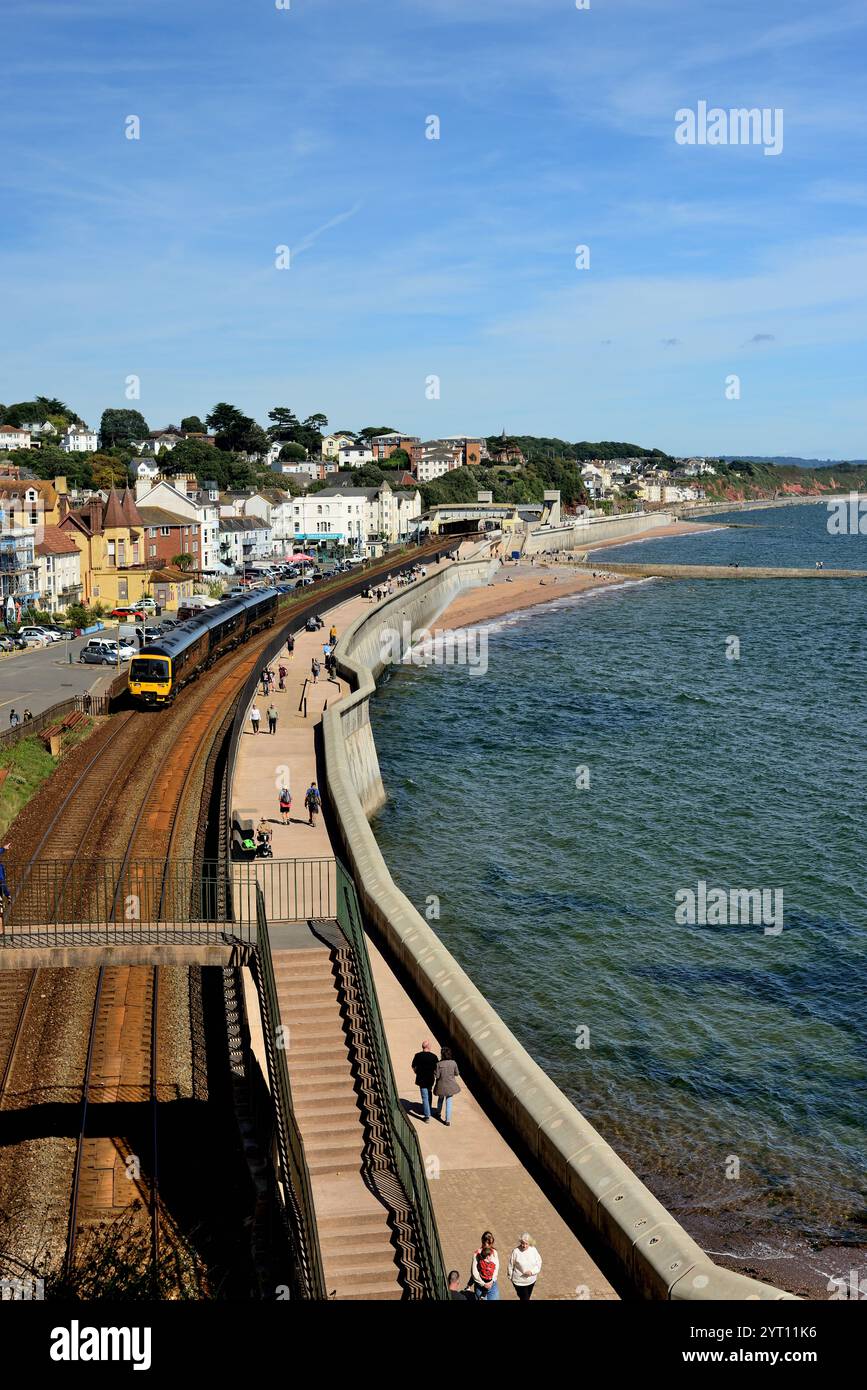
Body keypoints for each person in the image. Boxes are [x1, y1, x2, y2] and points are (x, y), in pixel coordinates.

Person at [411, 1040, 439, 1123]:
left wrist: (416, 1072)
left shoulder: (418, 1055)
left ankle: (427, 1116)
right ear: (428, 1047)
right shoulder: (434, 1056)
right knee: (429, 1093)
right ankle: (428, 1109)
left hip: (421, 1079)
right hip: (430, 1079)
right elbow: (436, 1068)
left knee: (424, 1097)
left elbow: (413, 1066)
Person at [508, 1234, 542, 1300]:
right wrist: (510, 1277)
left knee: (526, 1298)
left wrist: (532, 1272)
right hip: (519, 1282)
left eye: (526, 1244)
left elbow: (539, 1262)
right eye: (523, 1243)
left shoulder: (533, 1250)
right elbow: (510, 1265)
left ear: (530, 1243)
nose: (524, 1245)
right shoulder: (516, 1251)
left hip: (531, 1280)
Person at [434, 1046, 461, 1126]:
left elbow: (437, 1076)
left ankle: (438, 1113)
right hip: (450, 1086)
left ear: (442, 1055)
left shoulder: (438, 1064)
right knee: (449, 1101)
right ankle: (447, 1120)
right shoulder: (453, 1063)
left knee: (440, 1099)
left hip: (441, 1086)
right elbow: (457, 1073)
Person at [470, 1233, 500, 1301]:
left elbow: (496, 1268)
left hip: (493, 1285)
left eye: (491, 1243)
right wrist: (483, 1284)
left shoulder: (494, 1252)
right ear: (483, 1241)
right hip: (481, 1286)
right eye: (488, 1243)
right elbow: (474, 1272)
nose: (490, 1245)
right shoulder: (477, 1254)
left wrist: (492, 1281)